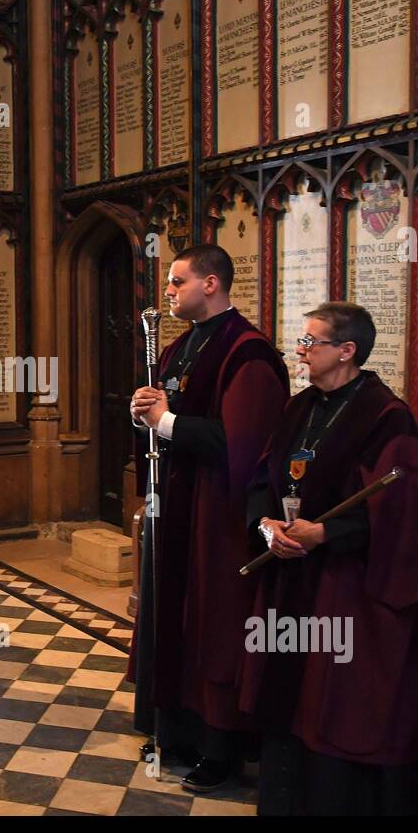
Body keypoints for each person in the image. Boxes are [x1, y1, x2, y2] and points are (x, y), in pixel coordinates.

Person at [241, 302, 418, 815]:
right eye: (301, 340)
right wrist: (266, 524)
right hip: (289, 577)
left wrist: (327, 532)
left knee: (331, 704)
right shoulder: (299, 407)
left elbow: (401, 510)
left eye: (311, 342)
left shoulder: (385, 417)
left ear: (347, 350)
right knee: (288, 699)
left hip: (345, 586)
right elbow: (262, 477)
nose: (300, 351)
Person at [127, 244, 288, 793]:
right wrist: (145, 413)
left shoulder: (248, 354)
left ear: (211, 284)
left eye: (177, 281)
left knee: (215, 626)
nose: (168, 291)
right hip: (177, 505)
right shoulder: (182, 346)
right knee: (175, 617)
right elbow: (165, 415)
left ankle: (221, 749)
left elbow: (244, 443)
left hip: (218, 516)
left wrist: (165, 421)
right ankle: (178, 731)